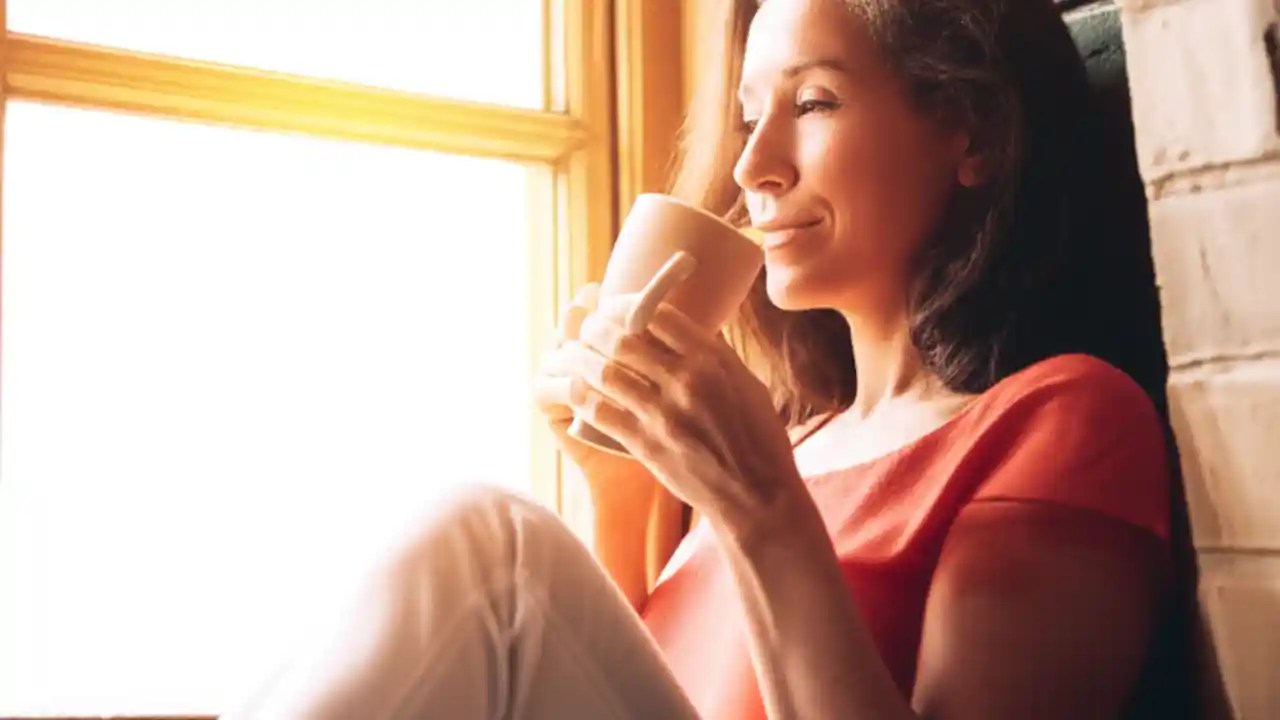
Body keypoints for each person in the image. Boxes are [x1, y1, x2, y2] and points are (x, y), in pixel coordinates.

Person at [222, 0, 1173, 717]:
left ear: (975, 133)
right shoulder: (794, 442)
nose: (754, 163)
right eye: (748, 114)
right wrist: (625, 485)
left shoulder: (1063, 417)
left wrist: (760, 507)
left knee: (492, 550)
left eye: (813, 101)